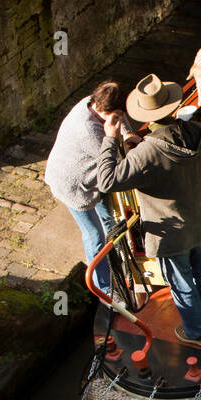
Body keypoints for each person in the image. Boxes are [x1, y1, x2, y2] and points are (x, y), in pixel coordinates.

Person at [97, 73, 201, 348]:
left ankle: (198, 333)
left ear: (146, 115)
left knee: (182, 282)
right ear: (173, 107)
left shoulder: (145, 153)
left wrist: (111, 139)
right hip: (200, 224)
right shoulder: (199, 132)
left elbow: (107, 180)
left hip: (170, 235)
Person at [44, 80, 134, 297]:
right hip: (73, 186)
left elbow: (120, 119)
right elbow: (112, 164)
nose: (118, 119)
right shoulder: (88, 130)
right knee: (93, 235)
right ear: (103, 110)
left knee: (110, 222)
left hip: (94, 179)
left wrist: (129, 134)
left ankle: (121, 264)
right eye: (114, 116)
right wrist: (115, 138)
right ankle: (104, 289)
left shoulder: (91, 101)